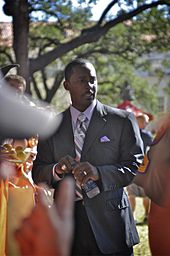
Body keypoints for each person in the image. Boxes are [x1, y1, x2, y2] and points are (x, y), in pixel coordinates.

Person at [32, 58, 144, 255]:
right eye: (82, 80)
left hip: (111, 225)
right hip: (68, 224)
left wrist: (99, 173)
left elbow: (134, 165)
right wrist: (56, 170)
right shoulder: (51, 126)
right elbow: (38, 172)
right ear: (67, 85)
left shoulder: (122, 120)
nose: (90, 85)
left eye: (93, 80)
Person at [126, 113, 153, 224]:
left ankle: (132, 217)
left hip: (131, 168)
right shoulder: (147, 135)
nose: (147, 124)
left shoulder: (128, 134)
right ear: (140, 122)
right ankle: (146, 216)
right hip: (145, 170)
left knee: (132, 193)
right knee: (145, 194)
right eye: (146, 121)